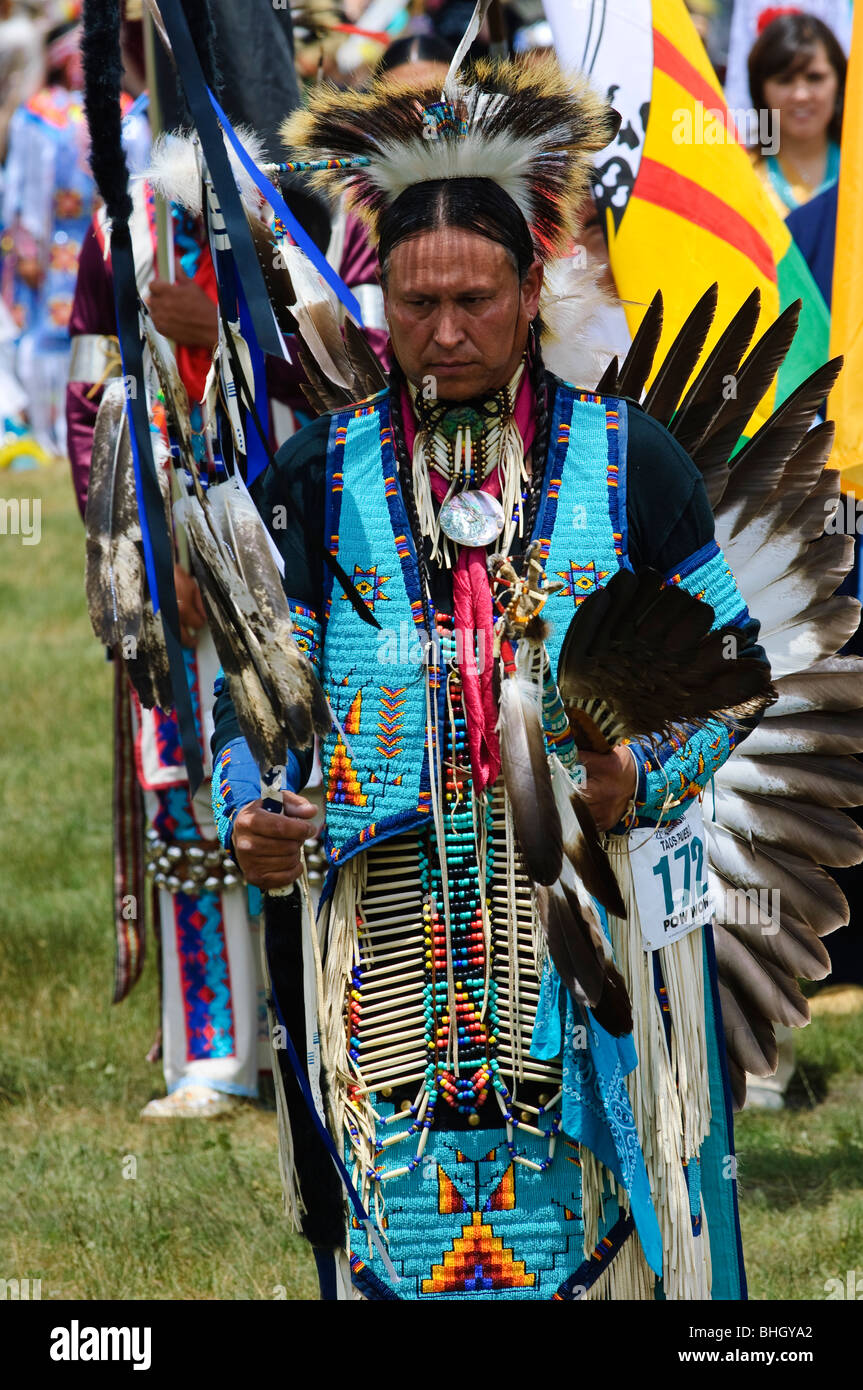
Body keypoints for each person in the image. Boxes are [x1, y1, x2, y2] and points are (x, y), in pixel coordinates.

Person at [209, 60, 773, 1301]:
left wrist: (636, 774)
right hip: (387, 979)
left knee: (610, 1235)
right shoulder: (315, 478)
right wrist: (248, 806)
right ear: (381, 301)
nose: (445, 332)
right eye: (415, 304)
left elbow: (734, 676)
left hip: (587, 956)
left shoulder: (631, 465)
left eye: (473, 298)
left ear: (532, 290)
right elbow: (243, 704)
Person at [747, 11, 846, 218]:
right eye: (785, 80)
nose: (800, 95)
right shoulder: (741, 178)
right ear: (760, 90)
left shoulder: (856, 171)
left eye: (814, 78)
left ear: (840, 82)